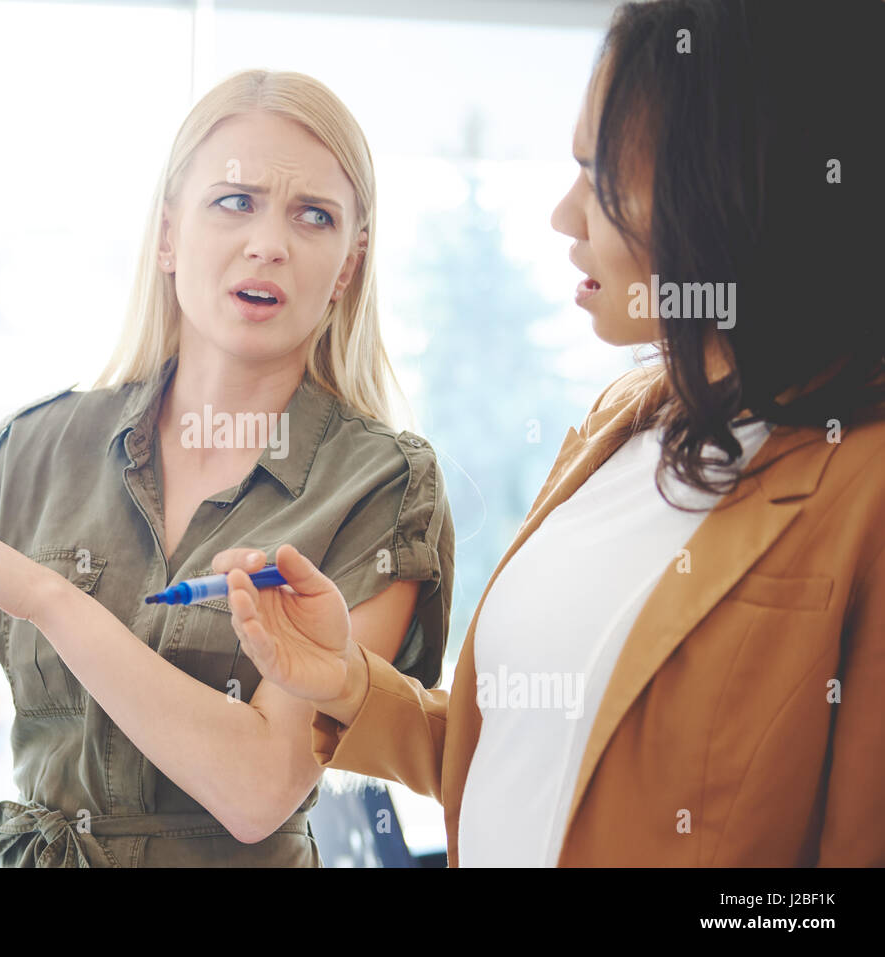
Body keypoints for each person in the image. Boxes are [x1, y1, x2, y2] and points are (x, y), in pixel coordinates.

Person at [218, 0, 885, 866]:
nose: (565, 216)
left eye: (596, 170)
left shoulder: (862, 482)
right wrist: (344, 679)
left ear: (726, 181)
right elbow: (526, 748)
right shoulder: (620, 427)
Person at [0, 69, 455, 866]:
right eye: (235, 201)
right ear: (168, 236)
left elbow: (257, 786)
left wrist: (48, 597)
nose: (268, 242)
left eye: (314, 216)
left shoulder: (382, 486)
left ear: (348, 264)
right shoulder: (35, 452)